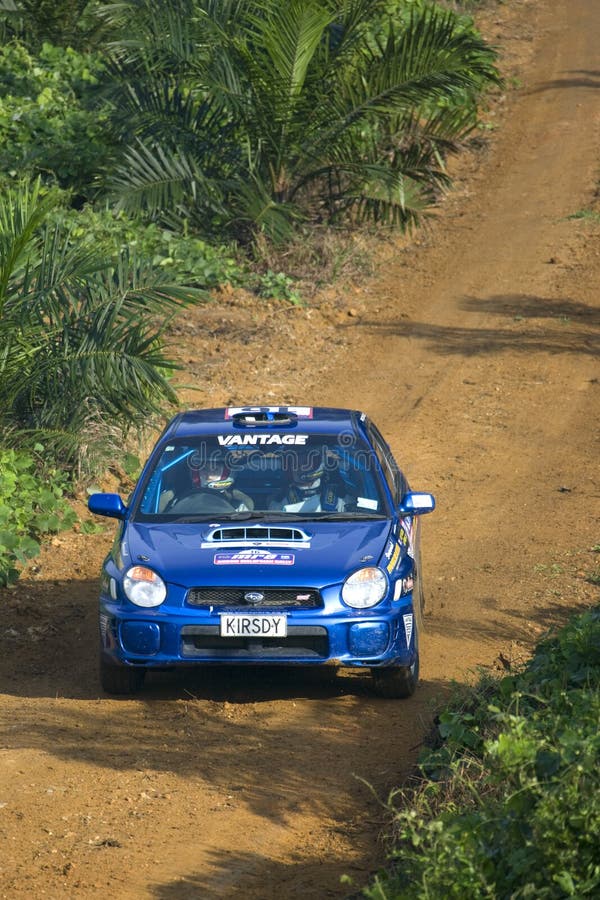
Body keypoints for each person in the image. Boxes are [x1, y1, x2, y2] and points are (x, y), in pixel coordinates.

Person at [270, 452, 346, 513]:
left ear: (317, 465)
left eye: (305, 463)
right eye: (295, 464)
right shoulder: (280, 502)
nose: (299, 468)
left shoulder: (340, 499)